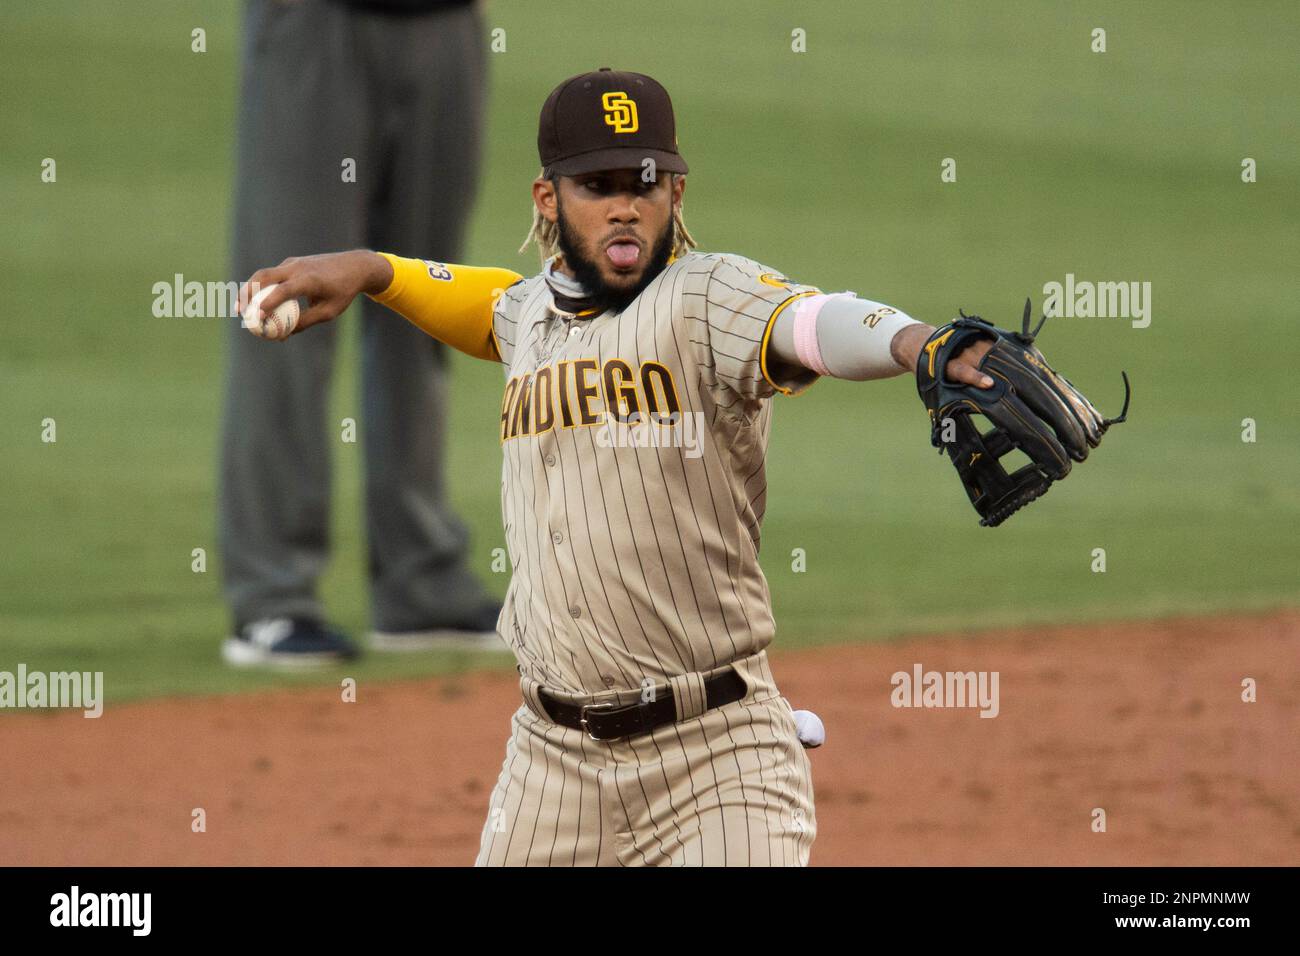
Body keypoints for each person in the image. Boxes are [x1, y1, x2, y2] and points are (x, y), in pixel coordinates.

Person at [236, 68, 1001, 864]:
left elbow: (812, 323)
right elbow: (486, 304)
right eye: (597, 185)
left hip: (718, 758)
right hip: (549, 767)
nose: (625, 204)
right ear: (547, 199)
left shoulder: (707, 298)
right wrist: (370, 269)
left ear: (675, 191)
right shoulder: (530, 317)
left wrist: (919, 344)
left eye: (647, 182)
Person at [219, 0, 504, 668]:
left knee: (425, 298)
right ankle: (272, 596)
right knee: (284, 307)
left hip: (448, 23)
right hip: (317, 25)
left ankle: (421, 584)